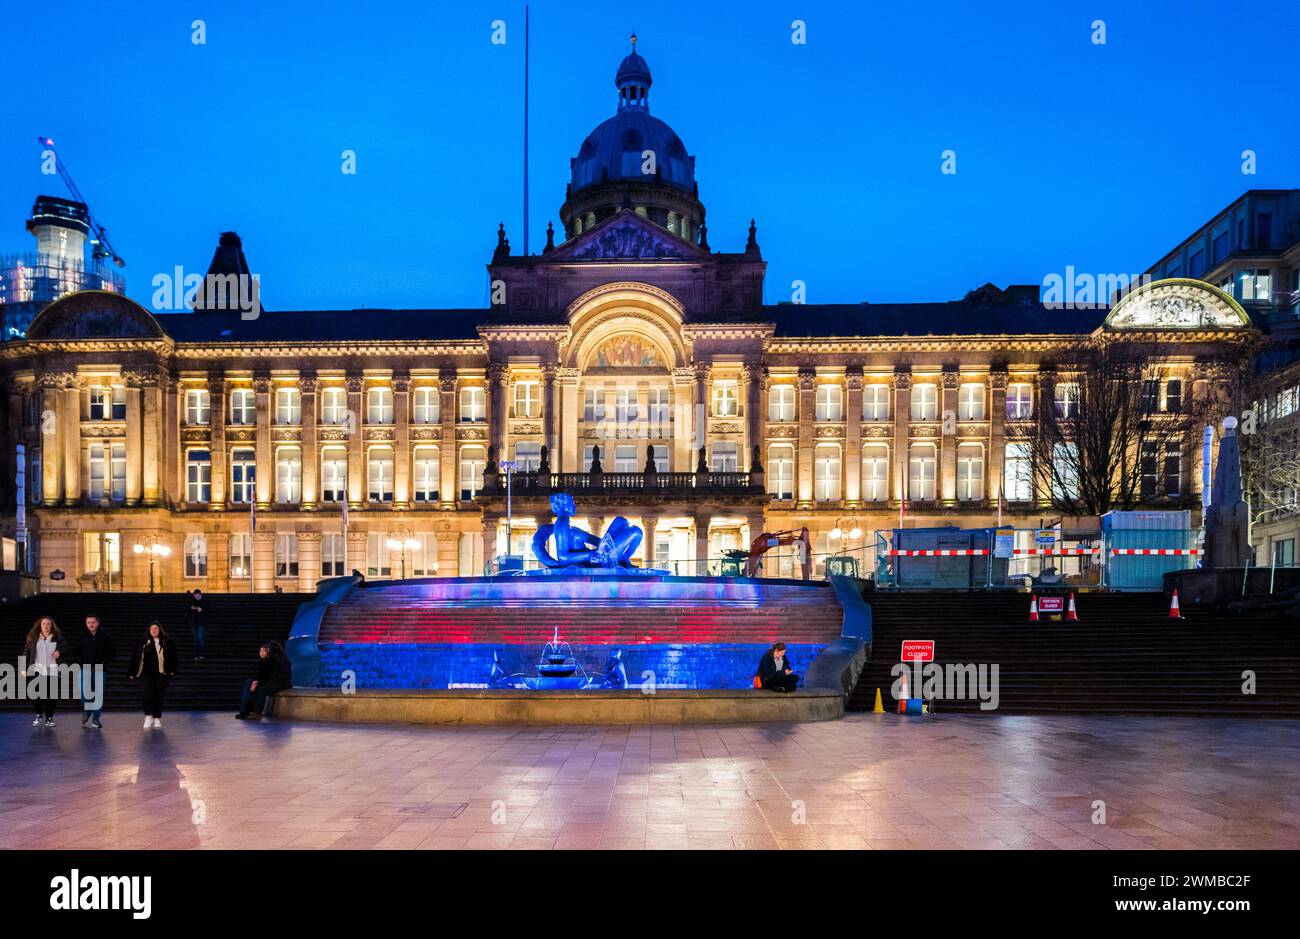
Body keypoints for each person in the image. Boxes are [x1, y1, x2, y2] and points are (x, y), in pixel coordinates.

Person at [128, 622, 178, 729]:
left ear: (160, 629)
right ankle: (148, 716)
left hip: (161, 673)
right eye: (151, 628)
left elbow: (174, 656)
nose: (154, 630)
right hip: (145, 673)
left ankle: (157, 718)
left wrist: (173, 669)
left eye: (156, 628)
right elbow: (135, 656)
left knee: (158, 696)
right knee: (146, 694)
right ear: (149, 630)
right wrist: (132, 672)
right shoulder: (143, 641)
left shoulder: (166, 641)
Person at [21, 616, 68, 726]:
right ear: (40, 625)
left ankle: (49, 718)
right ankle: (38, 714)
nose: (46, 626)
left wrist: (59, 653)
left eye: (48, 624)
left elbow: (66, 648)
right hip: (36, 669)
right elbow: (25, 652)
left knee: (51, 696)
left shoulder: (57, 637)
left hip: (52, 670)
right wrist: (23, 668)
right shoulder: (33, 637)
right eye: (44, 624)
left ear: (51, 626)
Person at [71, 614, 115, 728]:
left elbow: (112, 652)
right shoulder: (82, 636)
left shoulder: (105, 636)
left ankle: (96, 719)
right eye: (88, 622)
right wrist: (81, 661)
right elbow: (75, 652)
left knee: (98, 695)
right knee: (83, 693)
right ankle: (87, 711)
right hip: (84, 668)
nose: (91, 624)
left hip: (100, 669)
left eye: (93, 622)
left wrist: (104, 662)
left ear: (98, 622)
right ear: (86, 624)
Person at [236, 641, 293, 720]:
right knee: (259, 687)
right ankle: (252, 711)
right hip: (278, 681)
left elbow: (283, 675)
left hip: (282, 683)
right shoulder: (275, 658)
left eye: (268, 650)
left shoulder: (281, 658)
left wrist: (270, 680)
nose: (268, 651)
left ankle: (257, 713)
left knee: (262, 689)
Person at [186, 589, 209, 660]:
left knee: (200, 638)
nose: (197, 597)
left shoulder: (204, 601)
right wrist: (191, 608)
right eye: (195, 596)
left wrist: (202, 609)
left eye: (198, 596)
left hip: (201, 623)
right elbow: (187, 610)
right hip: (193, 623)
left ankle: (201, 654)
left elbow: (209, 610)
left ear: (201, 595)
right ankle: (196, 655)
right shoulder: (191, 601)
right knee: (195, 639)